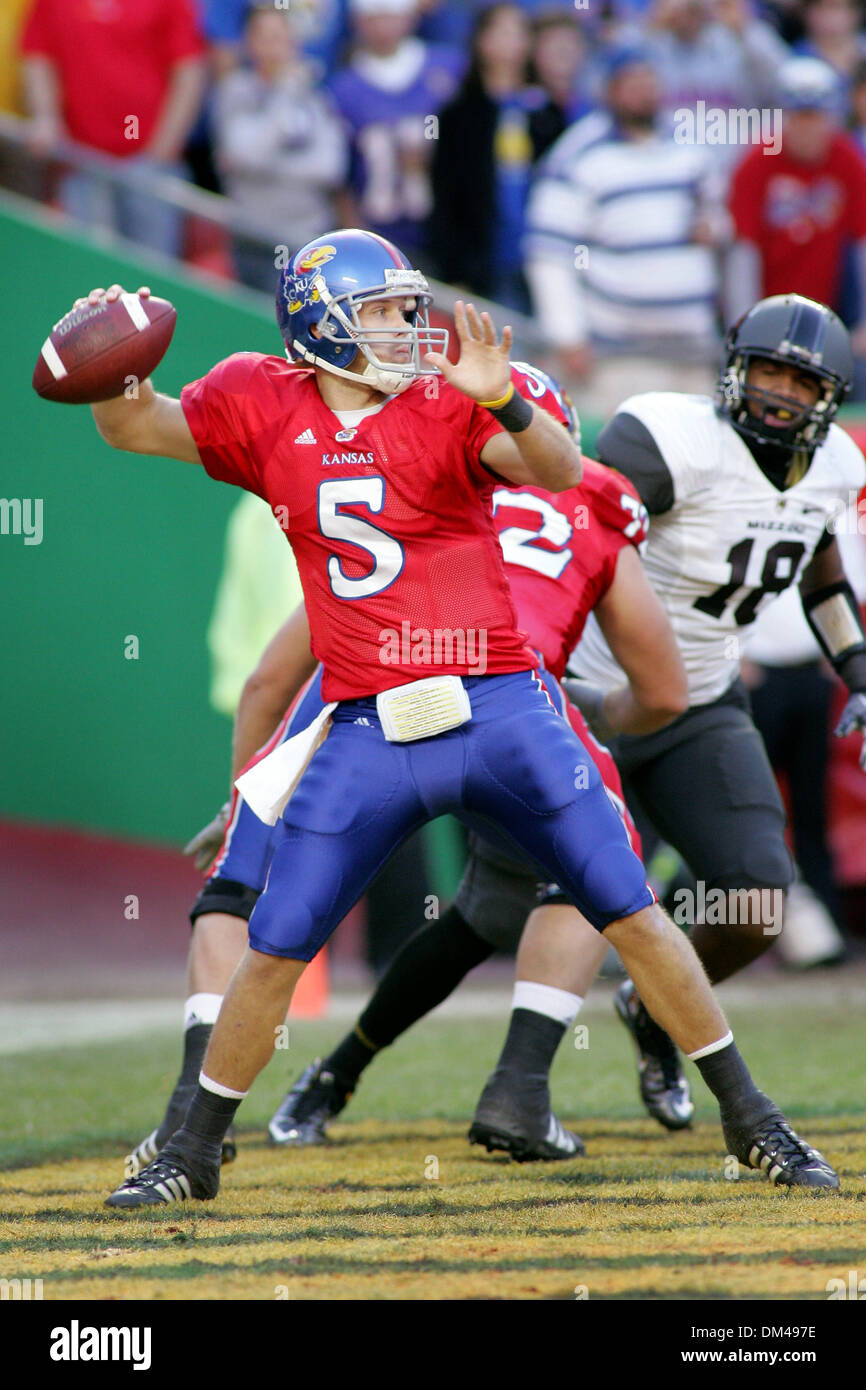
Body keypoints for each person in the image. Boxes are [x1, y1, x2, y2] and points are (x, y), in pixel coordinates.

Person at [66, 229, 834, 1207]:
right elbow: (135, 427)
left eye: (405, 305)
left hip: (497, 699)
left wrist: (501, 392)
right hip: (364, 720)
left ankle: (751, 1118)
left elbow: (557, 468)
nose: (409, 328)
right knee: (277, 939)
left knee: (628, 907)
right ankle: (193, 1147)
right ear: (323, 325)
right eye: (384, 311)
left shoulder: (444, 398)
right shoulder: (255, 398)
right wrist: (110, 360)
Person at [127, 361, 688, 1169]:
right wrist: (590, 712)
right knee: (593, 883)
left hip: (358, 695)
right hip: (513, 700)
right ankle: (523, 1085)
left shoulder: (394, 473)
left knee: (245, 892)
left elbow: (270, 677)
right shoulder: (585, 501)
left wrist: (248, 796)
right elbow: (664, 689)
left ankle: (200, 1115)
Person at [561, 293, 866, 1128]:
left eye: (801, 383)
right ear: (735, 369)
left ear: (828, 398)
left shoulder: (835, 464)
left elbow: (822, 574)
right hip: (585, 688)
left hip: (698, 698)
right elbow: (576, 542)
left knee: (759, 898)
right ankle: (347, 1073)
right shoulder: (672, 436)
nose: (779, 393)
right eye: (767, 370)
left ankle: (650, 1013)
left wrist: (860, 671)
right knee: (506, 905)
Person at [523, 45, 724, 416]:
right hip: (616, 357)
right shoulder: (578, 156)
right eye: (632, 81)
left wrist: (717, 227)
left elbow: (721, 224)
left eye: (649, 80)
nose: (643, 90)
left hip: (692, 351)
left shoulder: (690, 148)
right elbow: (549, 253)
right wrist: (567, 335)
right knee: (623, 462)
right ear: (609, 89)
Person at [19, 0, 206, 258]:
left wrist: (162, 150)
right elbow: (38, 54)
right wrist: (46, 116)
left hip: (149, 166)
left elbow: (189, 69)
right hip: (81, 160)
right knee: (88, 269)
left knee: (153, 274)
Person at [726, 57, 866, 364]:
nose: (807, 128)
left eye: (815, 117)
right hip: (769, 309)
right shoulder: (758, 160)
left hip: (830, 313)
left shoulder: (846, 159)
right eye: (799, 117)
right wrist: (744, 323)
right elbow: (743, 251)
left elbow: (861, 245)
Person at [212, 4, 348, 293]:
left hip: (309, 240)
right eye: (265, 37)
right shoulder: (235, 91)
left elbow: (330, 168)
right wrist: (284, 94)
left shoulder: (316, 97)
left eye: (281, 37)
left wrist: (265, 166)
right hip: (253, 238)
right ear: (249, 43)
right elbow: (243, 154)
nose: (274, 48)